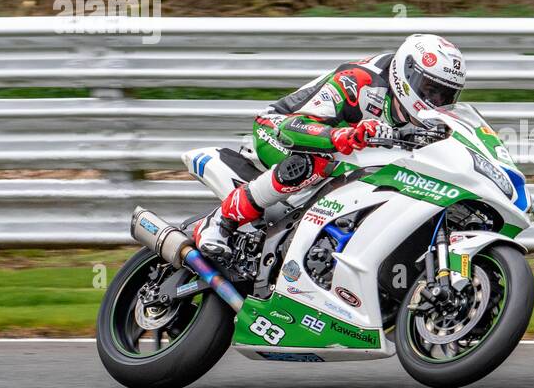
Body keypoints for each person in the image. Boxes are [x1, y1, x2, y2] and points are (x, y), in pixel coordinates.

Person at [191, 33, 466, 260]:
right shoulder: (359, 80)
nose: (435, 100)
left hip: (340, 153)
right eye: (429, 89)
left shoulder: (426, 120)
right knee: (318, 160)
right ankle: (220, 222)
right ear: (406, 73)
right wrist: (342, 136)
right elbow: (294, 126)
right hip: (278, 128)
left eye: (444, 95)